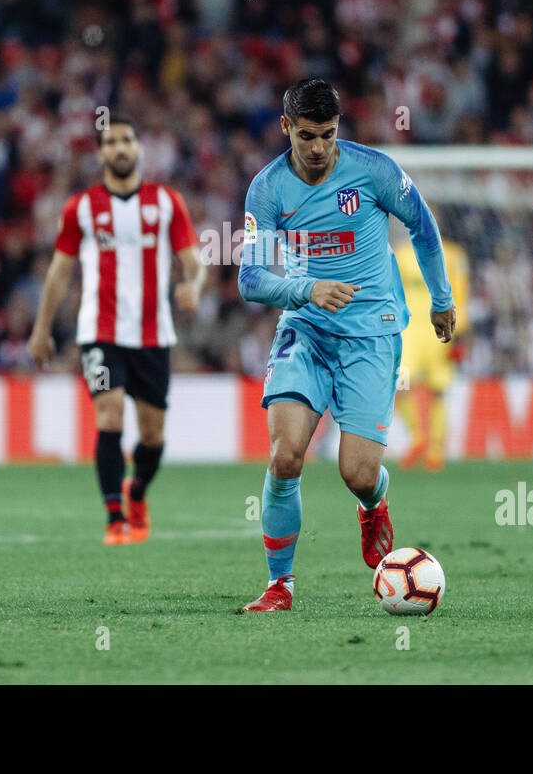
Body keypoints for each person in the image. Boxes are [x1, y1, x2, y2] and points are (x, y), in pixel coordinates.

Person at [237, 78, 455, 612]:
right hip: (305, 329)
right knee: (285, 456)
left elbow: (423, 229)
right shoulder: (266, 190)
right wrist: (307, 290)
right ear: (287, 128)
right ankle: (279, 586)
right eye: (306, 135)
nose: (317, 148)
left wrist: (441, 299)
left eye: (327, 135)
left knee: (356, 473)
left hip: (372, 333)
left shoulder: (375, 171)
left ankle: (373, 503)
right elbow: (250, 279)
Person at [28, 117, 203, 545]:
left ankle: (137, 489)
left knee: (152, 435)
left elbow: (193, 259)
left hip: (152, 335)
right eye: (111, 142)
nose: (120, 148)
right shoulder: (81, 208)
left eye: (127, 140)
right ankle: (114, 518)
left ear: (139, 148)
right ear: (101, 154)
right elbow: (59, 272)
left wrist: (193, 285)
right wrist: (41, 329)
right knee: (109, 416)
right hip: (99, 333)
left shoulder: (166, 202)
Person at [392, 227, 471, 471]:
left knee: (438, 391)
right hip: (409, 333)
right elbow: (392, 292)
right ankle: (418, 438)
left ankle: (436, 451)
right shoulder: (401, 254)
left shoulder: (454, 255)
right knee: (399, 384)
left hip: (439, 332)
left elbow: (461, 294)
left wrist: (459, 333)